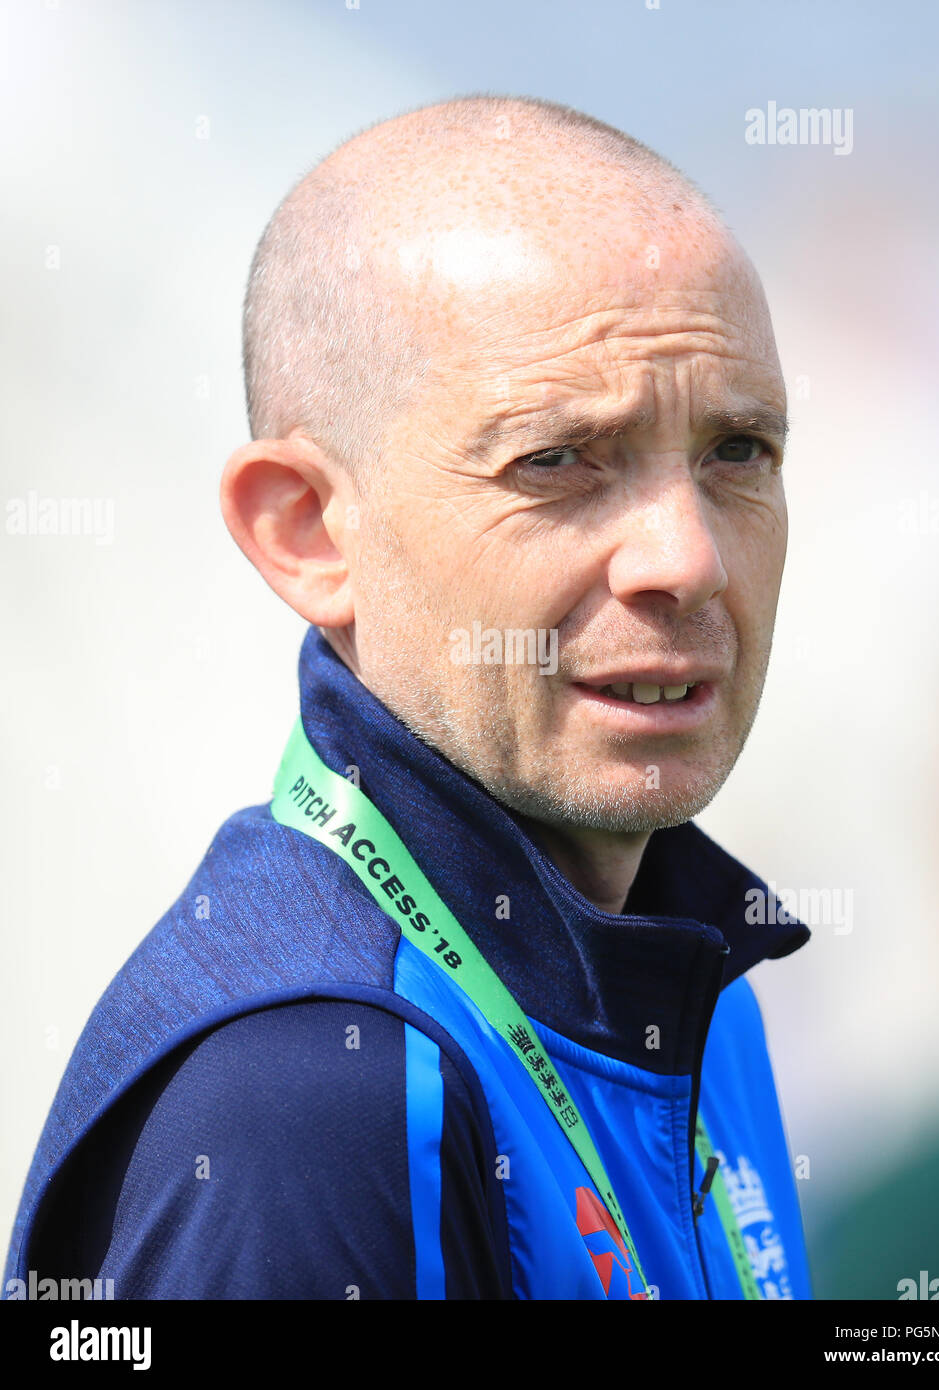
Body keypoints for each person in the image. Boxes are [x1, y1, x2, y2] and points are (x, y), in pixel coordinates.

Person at [4, 93, 811, 1301]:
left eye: (735, 451)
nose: (686, 558)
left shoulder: (689, 980)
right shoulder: (308, 1103)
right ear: (310, 531)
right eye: (557, 460)